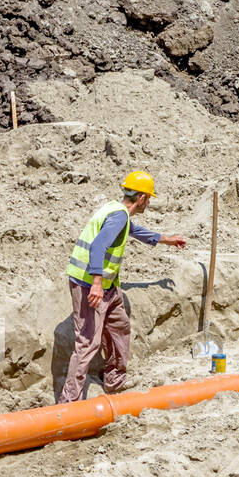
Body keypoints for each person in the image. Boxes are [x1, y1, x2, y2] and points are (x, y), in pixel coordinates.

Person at [59, 171, 186, 402]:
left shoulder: (118, 213)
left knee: (119, 327)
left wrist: (166, 239)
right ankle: (69, 402)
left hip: (109, 287)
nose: (149, 203)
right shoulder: (118, 216)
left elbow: (135, 231)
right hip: (89, 284)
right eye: (149, 198)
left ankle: (115, 380)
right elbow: (98, 247)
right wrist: (97, 284)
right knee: (87, 342)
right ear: (142, 198)